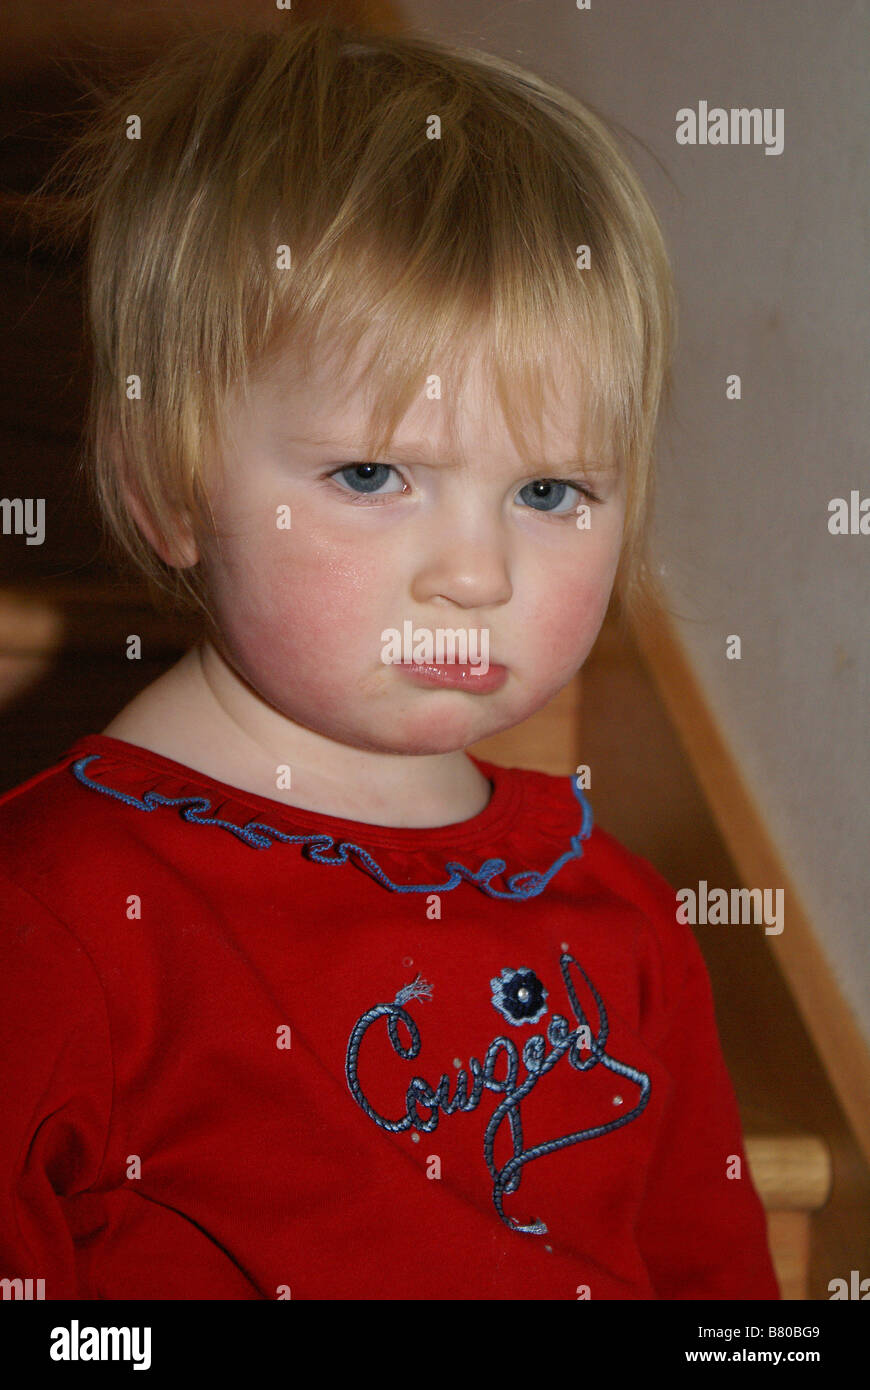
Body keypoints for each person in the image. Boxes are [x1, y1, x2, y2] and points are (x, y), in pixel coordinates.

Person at [0, 19, 778, 1300]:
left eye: (549, 489)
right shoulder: (58, 922)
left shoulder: (626, 912)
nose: (476, 573)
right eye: (373, 474)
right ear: (165, 484)